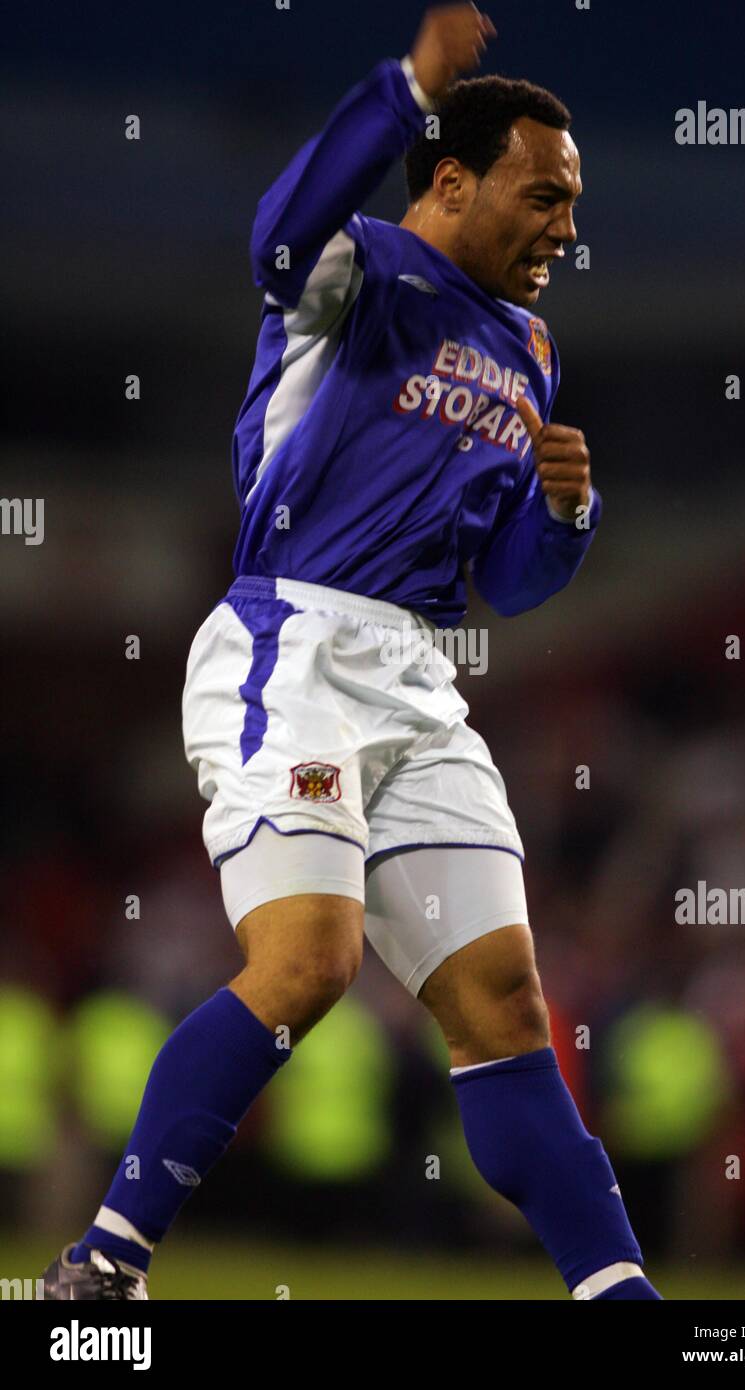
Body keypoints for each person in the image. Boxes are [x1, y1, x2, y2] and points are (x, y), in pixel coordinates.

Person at [42, 3, 660, 1301]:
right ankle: (104, 1262)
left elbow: (503, 581)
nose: (565, 224)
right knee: (307, 963)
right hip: (292, 644)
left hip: (420, 680)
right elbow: (276, 238)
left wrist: (564, 514)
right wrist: (400, 87)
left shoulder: (530, 350)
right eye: (542, 195)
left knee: (505, 1009)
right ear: (451, 178)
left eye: (573, 203)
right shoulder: (361, 272)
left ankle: (624, 1299)